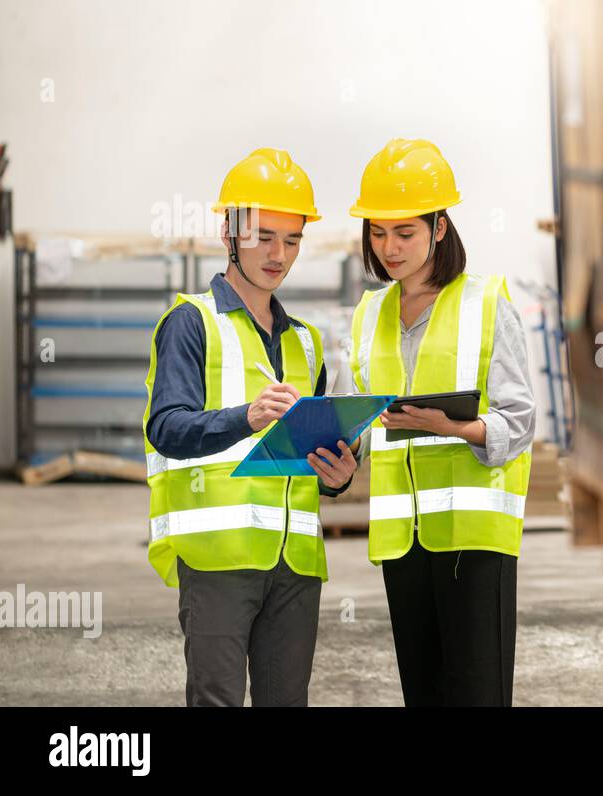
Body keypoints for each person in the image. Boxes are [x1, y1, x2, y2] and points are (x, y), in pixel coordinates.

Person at [142, 148, 358, 706]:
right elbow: (166, 427)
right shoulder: (192, 323)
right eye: (263, 235)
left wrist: (338, 473)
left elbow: (314, 457)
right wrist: (247, 416)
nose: (277, 253)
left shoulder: (306, 342)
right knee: (216, 700)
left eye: (291, 239)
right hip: (218, 557)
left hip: (296, 561)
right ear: (229, 232)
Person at [347, 138, 535, 706]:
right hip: (403, 541)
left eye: (404, 233)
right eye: (378, 233)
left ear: (439, 228)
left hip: (473, 540)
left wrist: (458, 429)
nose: (390, 248)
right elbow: (355, 412)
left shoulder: (487, 302)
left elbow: (520, 420)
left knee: (477, 695)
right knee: (424, 697)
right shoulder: (368, 313)